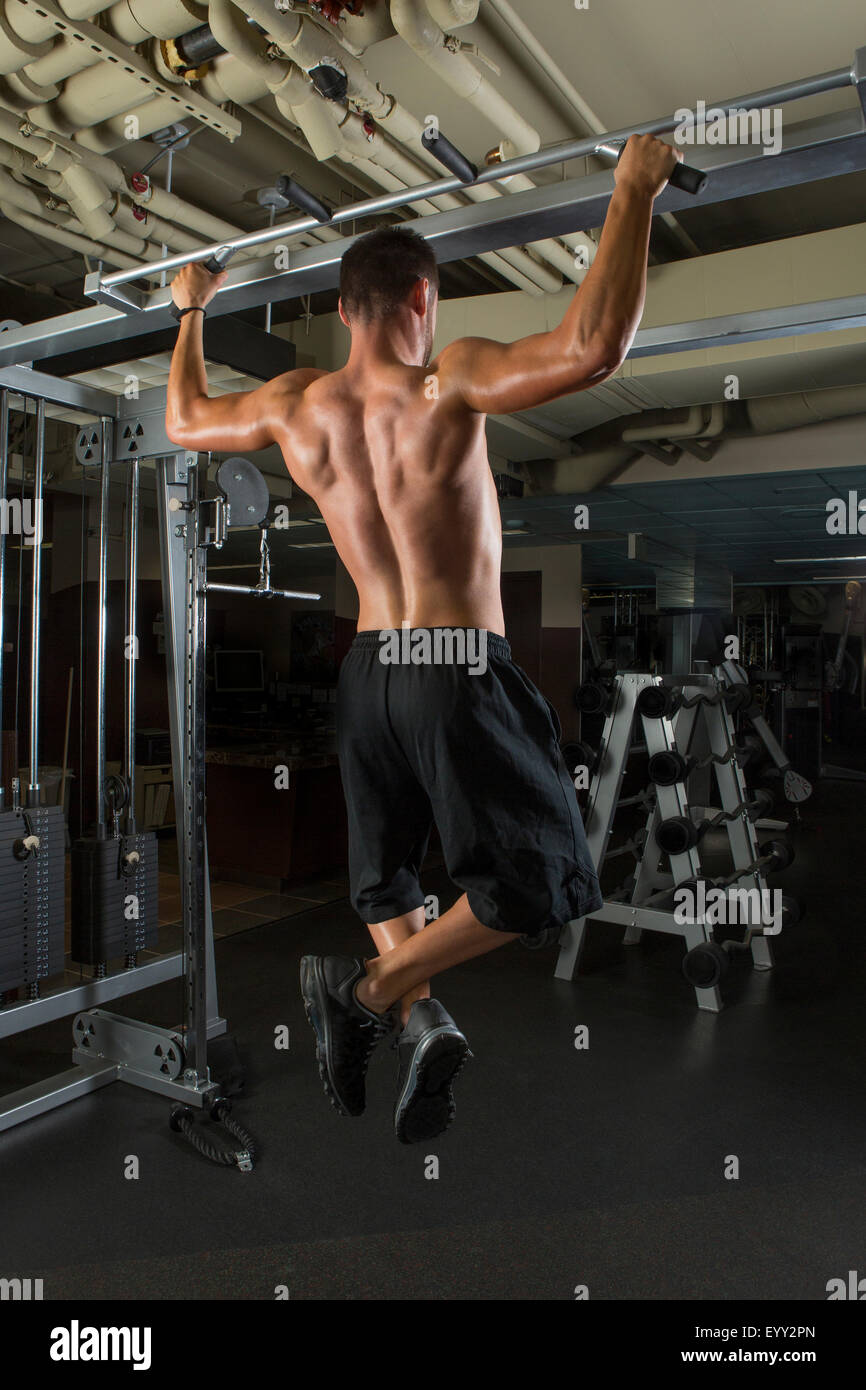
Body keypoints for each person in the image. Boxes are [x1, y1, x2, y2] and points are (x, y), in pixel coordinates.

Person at [166, 133, 682, 1144]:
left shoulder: (293, 405)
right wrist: (630, 191)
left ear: (343, 309)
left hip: (365, 670)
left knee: (383, 880)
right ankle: (369, 991)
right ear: (418, 304)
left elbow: (183, 418)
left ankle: (421, 1014)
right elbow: (592, 349)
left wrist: (191, 308)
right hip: (449, 663)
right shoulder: (444, 383)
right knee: (544, 879)